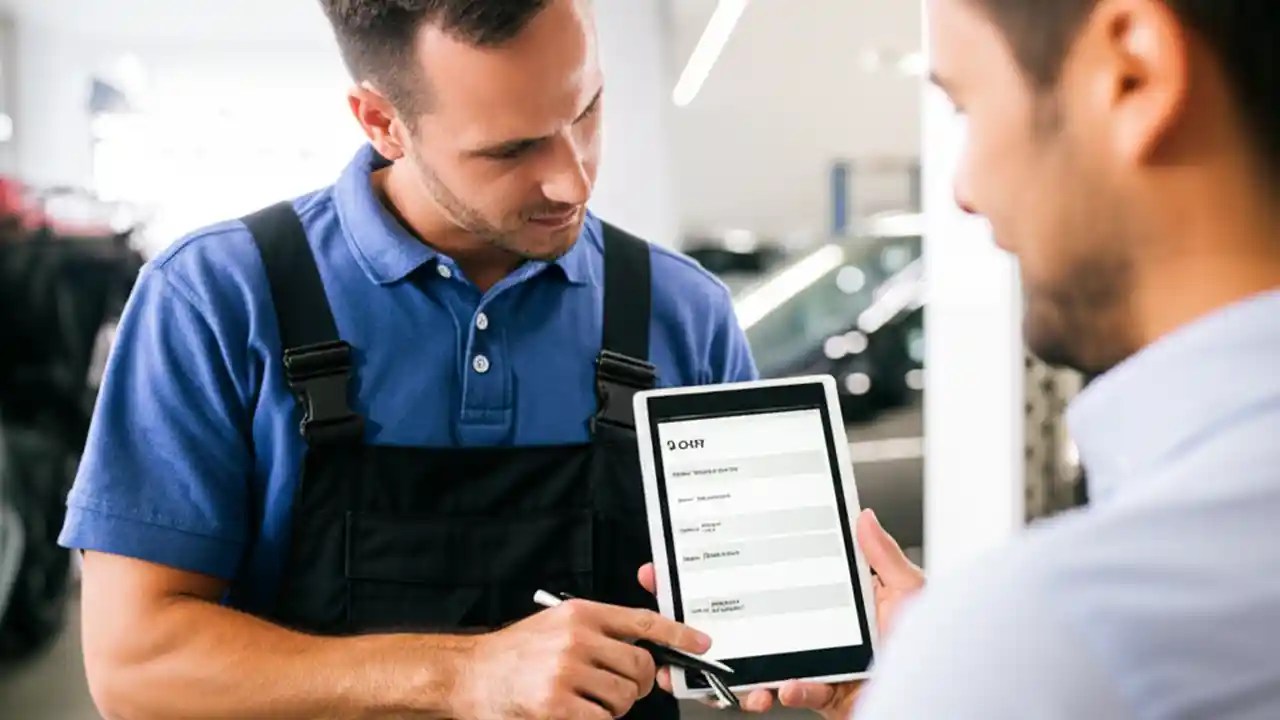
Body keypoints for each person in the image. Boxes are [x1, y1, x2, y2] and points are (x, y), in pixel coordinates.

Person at [59, 1, 756, 718]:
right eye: (511, 150)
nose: (572, 181)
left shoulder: (684, 312)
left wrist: (855, 662)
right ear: (381, 122)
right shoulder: (213, 299)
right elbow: (135, 669)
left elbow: (759, 618)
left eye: (586, 111)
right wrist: (464, 675)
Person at [642, 0, 1280, 717]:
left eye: (967, 107)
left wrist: (959, 670)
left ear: (1131, 73)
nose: (965, 189)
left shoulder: (1059, 644)